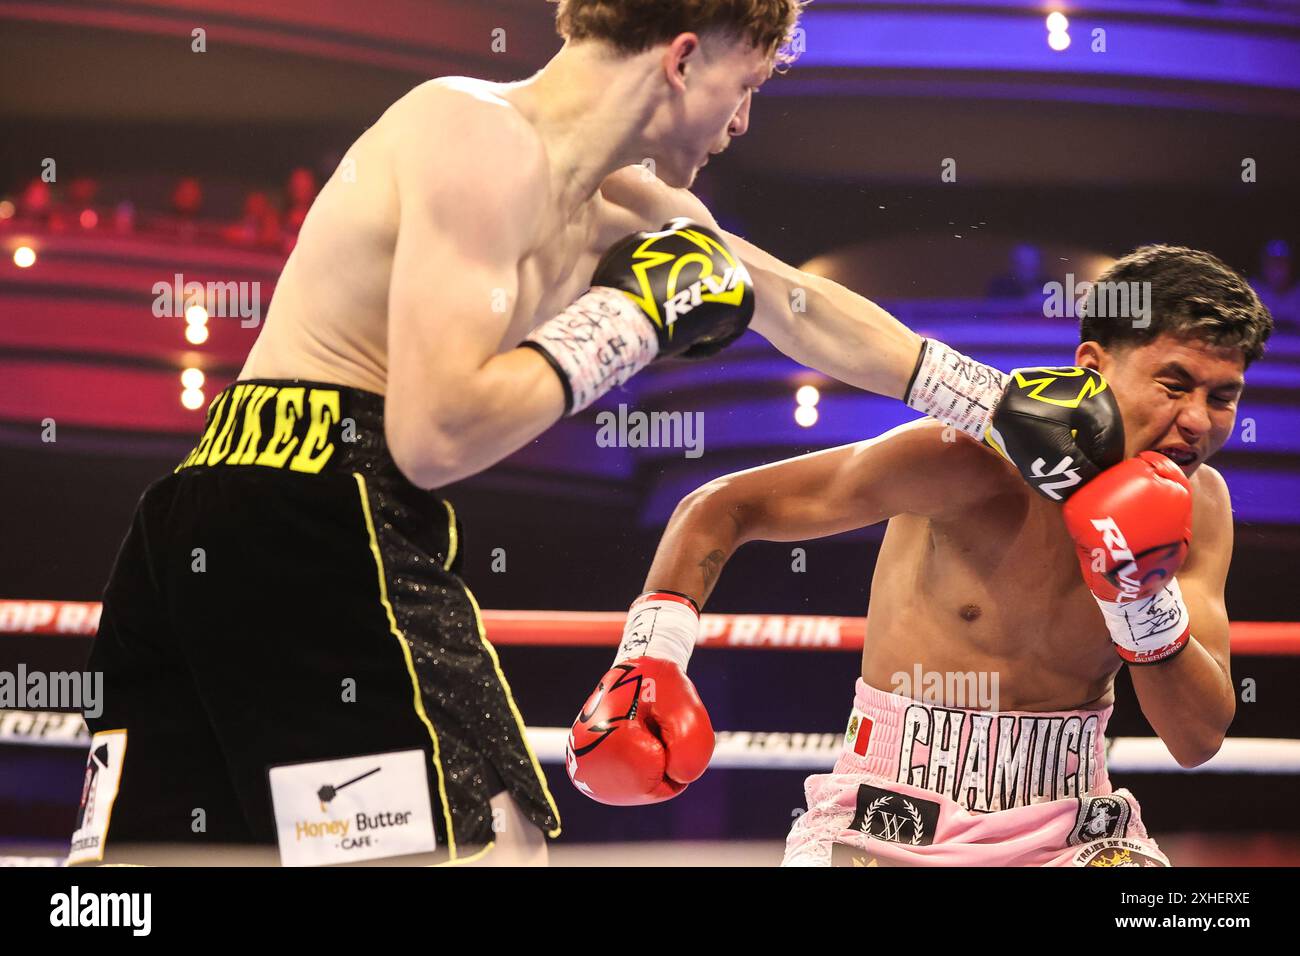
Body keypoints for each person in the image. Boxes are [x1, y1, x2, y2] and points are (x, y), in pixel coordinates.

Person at [73, 0, 1107, 866]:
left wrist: (994, 402)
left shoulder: (617, 204)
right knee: (491, 843)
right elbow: (435, 436)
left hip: (208, 518)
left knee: (153, 874)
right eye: (744, 86)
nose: (744, 121)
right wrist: (629, 320)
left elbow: (790, 301)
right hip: (322, 517)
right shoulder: (473, 134)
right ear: (683, 54)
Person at [568, 245, 1273, 866]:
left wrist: (1141, 599)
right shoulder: (968, 459)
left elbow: (1196, 738)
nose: (1196, 421)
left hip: (1073, 827)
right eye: (1174, 384)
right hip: (887, 816)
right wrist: (650, 657)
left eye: (1223, 397)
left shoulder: (1200, 506)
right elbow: (724, 505)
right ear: (1092, 365)